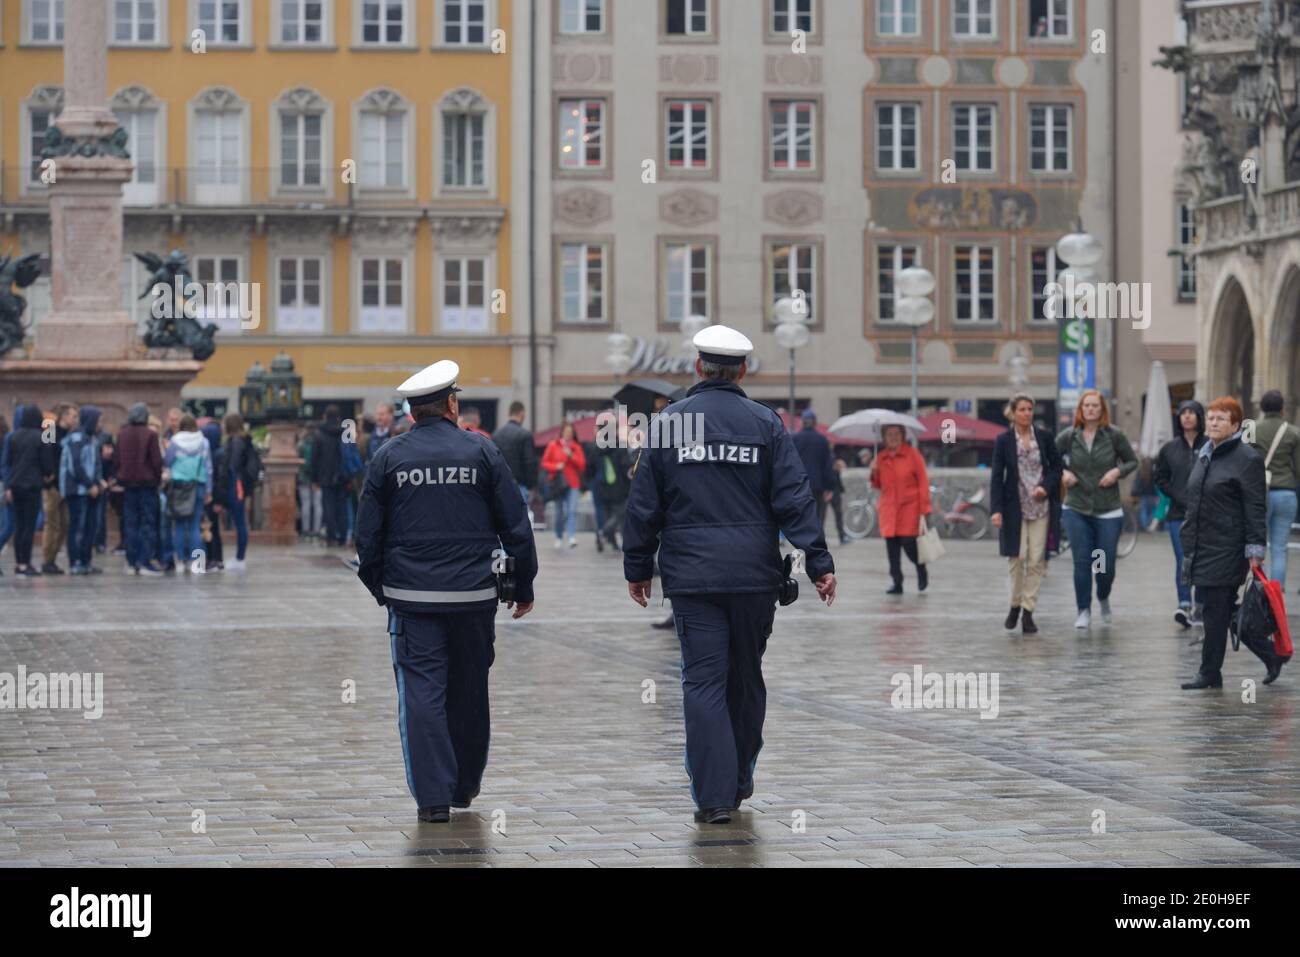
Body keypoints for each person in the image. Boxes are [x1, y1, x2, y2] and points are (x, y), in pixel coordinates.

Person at [623, 325, 836, 825]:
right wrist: (819, 562)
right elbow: (794, 497)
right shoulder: (766, 423)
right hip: (753, 579)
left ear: (698, 367)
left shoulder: (669, 424)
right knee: (745, 678)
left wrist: (638, 567)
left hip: (693, 582)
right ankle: (737, 776)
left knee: (702, 683)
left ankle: (715, 796)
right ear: (741, 370)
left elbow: (643, 507)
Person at [355, 359, 538, 824]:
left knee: (421, 693)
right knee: (470, 690)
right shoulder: (481, 452)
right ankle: (464, 785)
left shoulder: (390, 456)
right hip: (473, 598)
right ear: (453, 404)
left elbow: (366, 534)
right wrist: (522, 584)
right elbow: (515, 523)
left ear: (412, 413)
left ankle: (433, 797)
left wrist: (381, 585)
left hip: (412, 599)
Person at [1180, 397, 1285, 690]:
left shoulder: (1246, 459)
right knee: (1223, 609)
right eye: (1211, 418)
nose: (1213, 423)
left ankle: (1209, 672)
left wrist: (1255, 549)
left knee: (1214, 609)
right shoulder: (1204, 454)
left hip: (1228, 547)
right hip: (1202, 544)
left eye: (1221, 419)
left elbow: (1255, 507)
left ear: (1236, 426)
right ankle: (1271, 654)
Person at [1056, 390, 1138, 631]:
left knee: (1103, 564)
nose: (1091, 409)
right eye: (1086, 406)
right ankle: (1083, 609)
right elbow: (1050, 457)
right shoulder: (1070, 436)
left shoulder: (1114, 436)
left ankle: (1103, 595)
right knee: (1082, 562)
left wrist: (1117, 472)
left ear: (1102, 410)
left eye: (1095, 405)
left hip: (1107, 510)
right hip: (1076, 508)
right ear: (1080, 410)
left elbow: (1132, 461)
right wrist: (1064, 473)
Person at [990, 393, 1064, 635]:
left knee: (1036, 561)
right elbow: (996, 477)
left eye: (1030, 409)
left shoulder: (1044, 437)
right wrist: (996, 509)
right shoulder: (1003, 441)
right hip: (1015, 507)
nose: (1026, 413)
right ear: (1013, 413)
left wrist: (1046, 487)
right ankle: (1014, 604)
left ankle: (1028, 611)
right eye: (1021, 409)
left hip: (1041, 507)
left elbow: (1057, 467)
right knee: (1017, 557)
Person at [1154, 400, 1208, 627]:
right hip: (1178, 514)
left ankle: (1201, 606)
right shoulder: (1169, 449)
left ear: (1199, 417)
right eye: (1183, 413)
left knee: (1204, 560)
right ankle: (1184, 603)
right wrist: (1177, 494)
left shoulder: (1211, 445)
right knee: (1182, 558)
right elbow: (1160, 479)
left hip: (1207, 514)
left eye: (1191, 413)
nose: (1187, 416)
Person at [871, 423, 933, 595]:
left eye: (896, 433)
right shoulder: (881, 457)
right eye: (889, 434)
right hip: (888, 509)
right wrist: (873, 472)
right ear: (883, 437)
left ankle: (921, 568)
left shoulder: (913, 454)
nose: (893, 436)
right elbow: (877, 484)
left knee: (909, 544)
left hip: (910, 508)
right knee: (892, 548)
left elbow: (923, 482)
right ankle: (897, 582)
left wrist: (924, 507)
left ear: (903, 435)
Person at [1249, 390, 1300, 589]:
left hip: (1258, 494)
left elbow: (1242, 461)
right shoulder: (1294, 432)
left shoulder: (1250, 428)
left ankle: (1259, 592)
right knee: (1279, 548)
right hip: (1286, 493)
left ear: (1261, 407)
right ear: (1282, 409)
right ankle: (1276, 596)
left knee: (1256, 546)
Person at [117, 403, 164, 575]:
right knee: (147, 523)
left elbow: (117, 459)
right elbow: (156, 461)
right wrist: (157, 479)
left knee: (130, 523)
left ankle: (131, 562)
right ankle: (144, 561)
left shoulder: (122, 434)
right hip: (147, 485)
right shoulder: (150, 435)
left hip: (128, 484)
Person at [59, 405, 106, 576]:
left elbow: (95, 464)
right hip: (77, 490)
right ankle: (75, 561)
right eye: (99, 420)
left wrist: (98, 482)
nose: (101, 424)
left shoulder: (91, 438)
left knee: (90, 526)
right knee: (77, 526)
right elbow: (76, 465)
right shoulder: (76, 438)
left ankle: (86, 560)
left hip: (90, 489)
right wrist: (89, 484)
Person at [164, 415, 212, 572]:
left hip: (178, 487)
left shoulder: (175, 442)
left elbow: (167, 462)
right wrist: (209, 490)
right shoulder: (204, 442)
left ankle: (179, 561)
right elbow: (208, 468)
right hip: (198, 485)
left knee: (178, 526)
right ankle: (196, 563)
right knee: (195, 526)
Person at [4, 404, 46, 576]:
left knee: (19, 526)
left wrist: (8, 486)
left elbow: (9, 463)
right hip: (32, 486)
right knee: (29, 526)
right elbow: (48, 456)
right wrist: (49, 424)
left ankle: (19, 563)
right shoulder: (41, 436)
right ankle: (25, 563)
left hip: (15, 485)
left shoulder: (12, 436)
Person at [588, 410, 632, 552]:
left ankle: (608, 537)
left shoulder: (595, 447)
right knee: (621, 514)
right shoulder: (620, 447)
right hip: (619, 487)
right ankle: (605, 534)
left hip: (601, 486)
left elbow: (590, 468)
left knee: (607, 515)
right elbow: (626, 466)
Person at [792, 409, 837, 538]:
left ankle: (802, 540)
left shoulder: (794, 438)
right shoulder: (822, 440)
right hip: (818, 486)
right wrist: (829, 487)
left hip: (799, 485)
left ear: (802, 422)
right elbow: (827, 465)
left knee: (801, 515)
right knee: (818, 516)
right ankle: (816, 540)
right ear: (815, 423)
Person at [541, 422, 586, 550]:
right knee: (559, 512)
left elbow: (582, 465)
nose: (568, 434)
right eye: (566, 432)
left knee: (571, 511)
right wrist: (556, 466)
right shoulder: (553, 445)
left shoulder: (576, 447)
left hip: (573, 484)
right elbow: (544, 463)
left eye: (570, 432)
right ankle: (559, 537)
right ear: (562, 433)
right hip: (558, 484)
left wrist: (571, 456)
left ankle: (571, 536)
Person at [492, 401, 539, 513]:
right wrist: (532, 485)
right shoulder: (525, 435)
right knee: (520, 519)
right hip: (520, 485)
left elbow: (492, 461)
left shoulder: (495, 435)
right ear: (521, 413)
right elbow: (530, 462)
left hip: (500, 485)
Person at [312, 406, 349, 547]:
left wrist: (314, 479)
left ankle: (331, 536)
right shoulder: (345, 433)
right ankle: (343, 536)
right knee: (342, 507)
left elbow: (314, 458)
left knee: (328, 507)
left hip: (325, 476)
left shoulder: (319, 434)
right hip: (343, 475)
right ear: (338, 417)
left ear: (325, 416)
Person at [223, 412, 254, 569]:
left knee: (240, 521)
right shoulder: (244, 440)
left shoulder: (235, 441)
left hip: (236, 484)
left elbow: (232, 465)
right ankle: (240, 557)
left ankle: (240, 558)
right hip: (240, 484)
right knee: (241, 520)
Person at [201, 420, 227, 571]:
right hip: (213, 498)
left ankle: (213, 559)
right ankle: (216, 559)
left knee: (210, 528)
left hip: (212, 497)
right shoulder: (218, 452)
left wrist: (218, 501)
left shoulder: (216, 455)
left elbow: (219, 481)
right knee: (213, 529)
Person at [297, 424, 321, 539]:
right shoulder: (319, 443)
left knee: (305, 504)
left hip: (303, 478)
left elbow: (298, 462)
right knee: (317, 504)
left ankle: (305, 529)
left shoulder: (301, 444)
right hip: (318, 478)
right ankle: (316, 529)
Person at [829, 457, 850, 546]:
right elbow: (837, 481)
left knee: (821, 516)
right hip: (833, 492)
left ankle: (842, 537)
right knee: (838, 515)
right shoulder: (832, 464)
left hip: (828, 491)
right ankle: (842, 537)